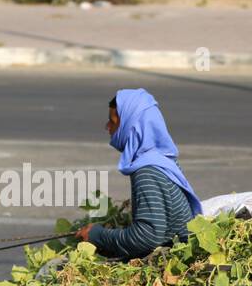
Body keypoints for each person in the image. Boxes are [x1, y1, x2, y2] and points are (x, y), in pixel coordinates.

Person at [75, 89, 201, 260]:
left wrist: (97, 235)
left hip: (173, 259)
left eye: (112, 121)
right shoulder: (162, 157)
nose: (107, 127)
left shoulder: (147, 171)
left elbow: (147, 236)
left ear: (131, 126)